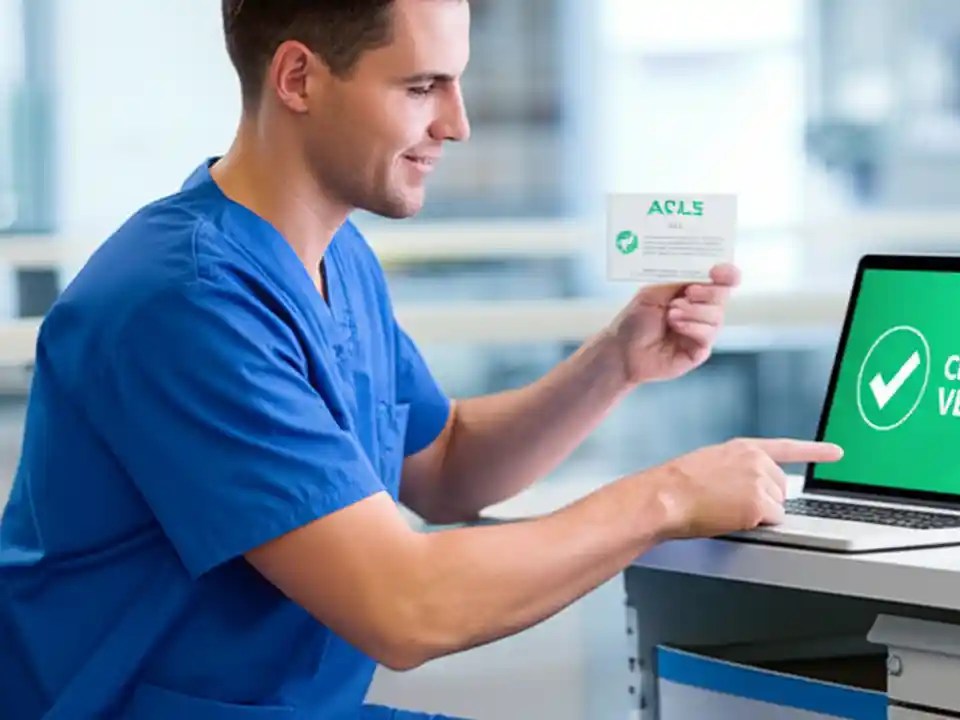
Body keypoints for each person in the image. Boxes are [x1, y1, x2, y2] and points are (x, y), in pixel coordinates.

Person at [0, 1, 842, 718]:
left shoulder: (334, 257)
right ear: (297, 79)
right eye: (421, 86)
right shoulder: (184, 301)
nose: (458, 122)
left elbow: (441, 465)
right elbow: (405, 606)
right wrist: (666, 496)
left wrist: (616, 362)